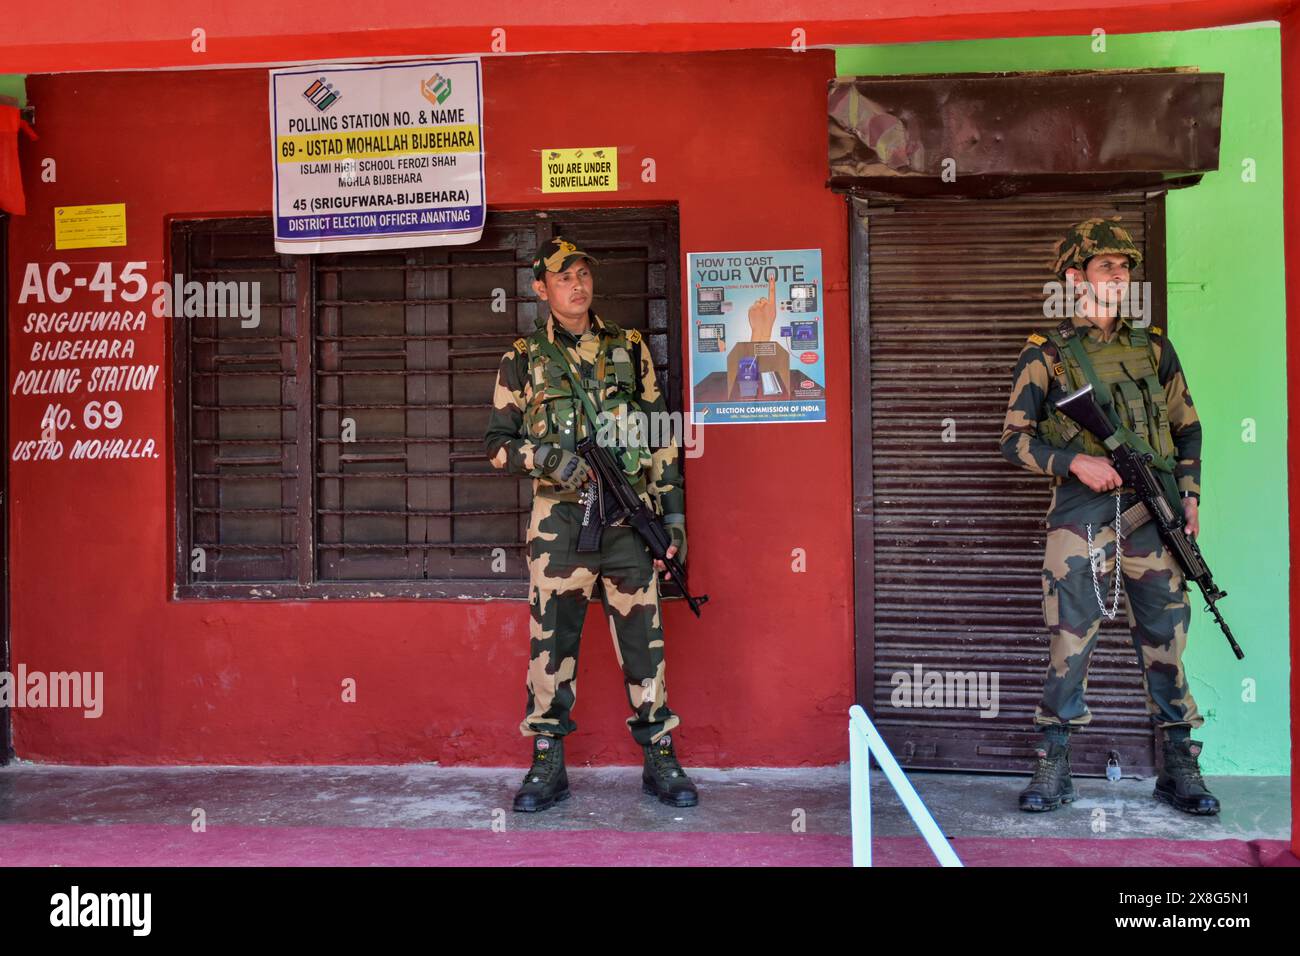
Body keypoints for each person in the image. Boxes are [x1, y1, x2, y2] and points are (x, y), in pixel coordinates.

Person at [999, 217, 1220, 816]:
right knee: (1071, 636)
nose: (1119, 275)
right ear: (1076, 277)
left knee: (1167, 635)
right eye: (1105, 266)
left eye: (1124, 266)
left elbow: (1188, 427)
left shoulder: (1154, 347)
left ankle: (1179, 764)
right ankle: (1055, 761)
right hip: (1083, 511)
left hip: (1156, 510)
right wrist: (1074, 462)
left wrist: (1191, 495)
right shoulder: (1045, 354)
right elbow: (1013, 440)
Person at [484, 236, 697, 812]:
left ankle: (660, 756)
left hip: (630, 523)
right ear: (540, 288)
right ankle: (546, 761)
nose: (577, 285)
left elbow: (662, 437)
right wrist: (551, 459)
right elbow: (497, 446)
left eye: (583, 275)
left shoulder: (629, 347)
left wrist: (672, 523)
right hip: (560, 530)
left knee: (644, 644)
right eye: (564, 277)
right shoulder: (523, 357)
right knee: (551, 644)